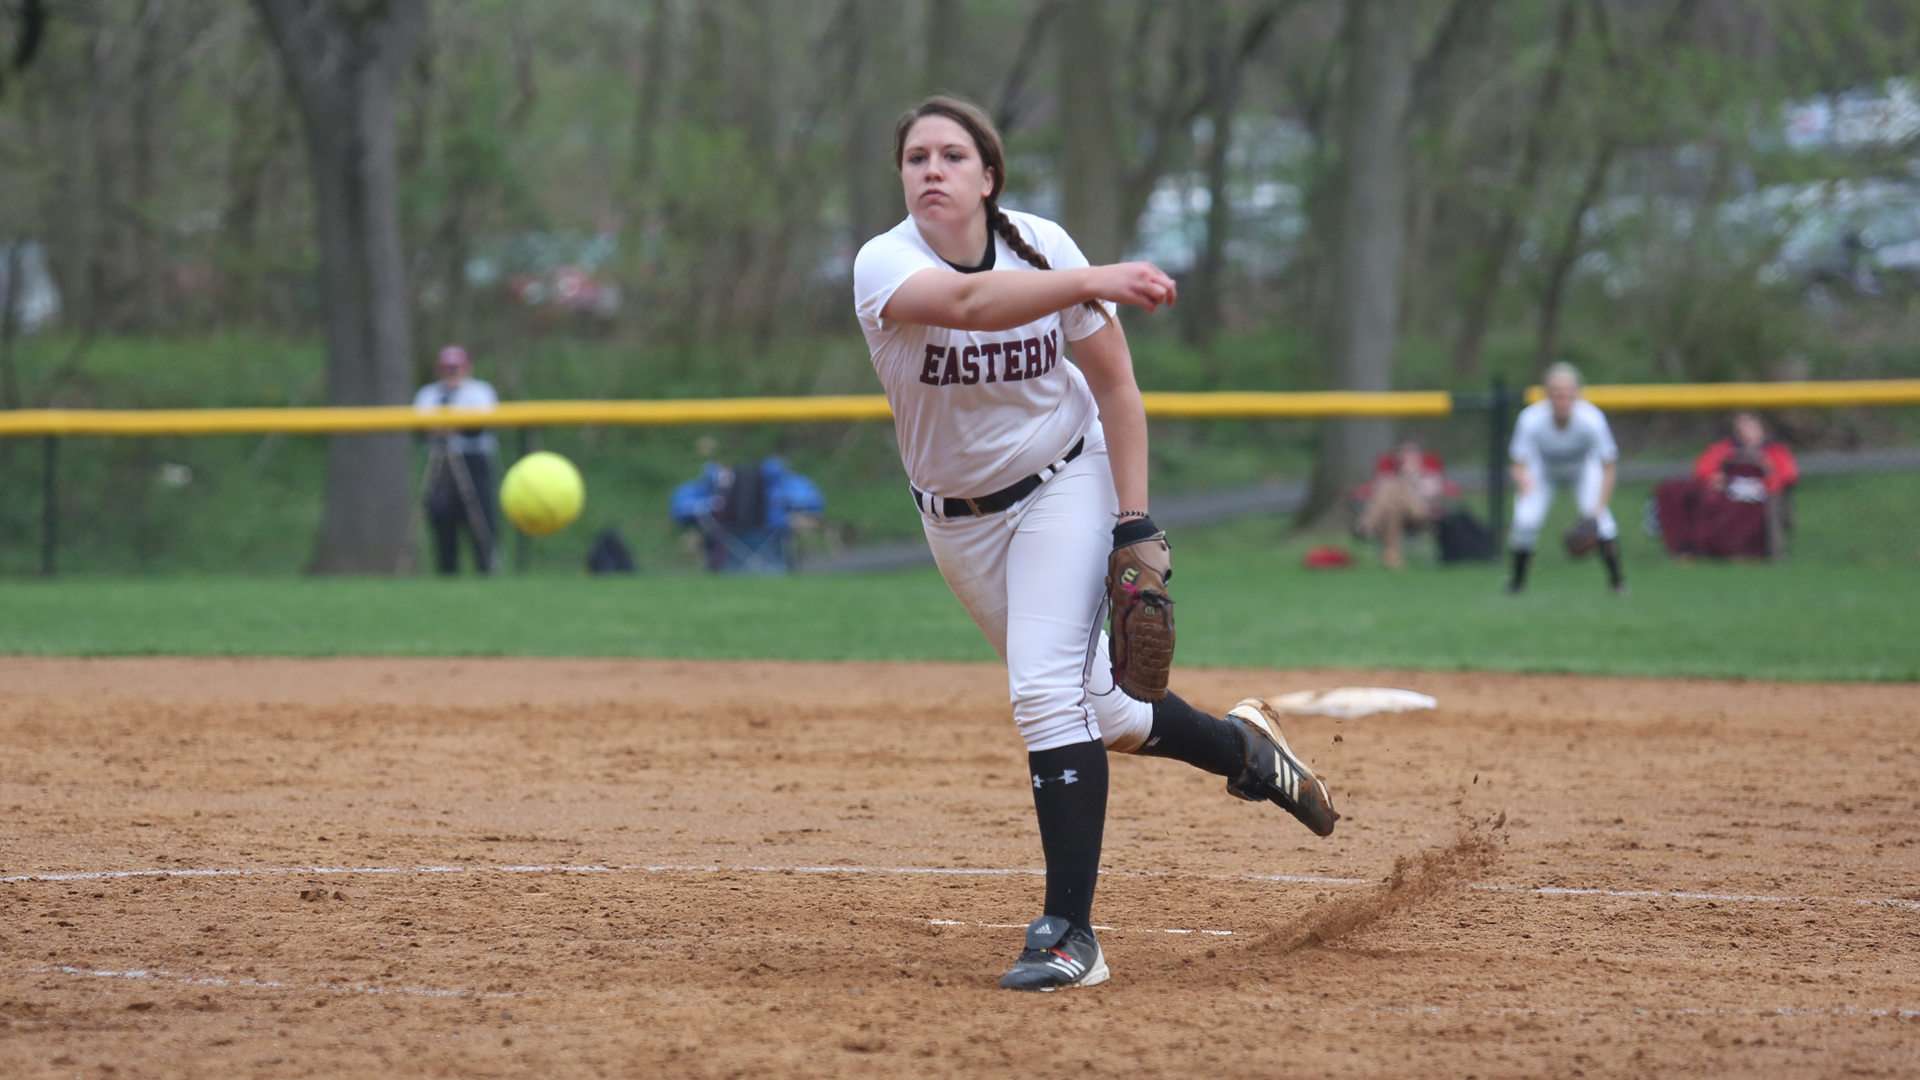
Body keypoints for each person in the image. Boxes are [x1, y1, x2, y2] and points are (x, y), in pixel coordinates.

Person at [852, 97, 1338, 993]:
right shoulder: (886, 263)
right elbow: (964, 302)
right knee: (1103, 712)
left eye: (953, 156)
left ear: (987, 177)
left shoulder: (1045, 245)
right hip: (957, 519)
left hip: (1066, 481)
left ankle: (1069, 934)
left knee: (1043, 692)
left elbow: (1116, 387)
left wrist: (1134, 518)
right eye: (915, 156)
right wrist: (1092, 280)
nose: (931, 170)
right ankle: (1247, 750)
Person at [1505, 362, 1625, 594]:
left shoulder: (1591, 419)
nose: (1561, 396)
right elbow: (1518, 464)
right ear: (1546, 393)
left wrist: (1598, 507)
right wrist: (1524, 481)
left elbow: (1608, 466)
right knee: (1525, 521)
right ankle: (1516, 583)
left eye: (1566, 391)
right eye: (1556, 391)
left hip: (1582, 470)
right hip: (1543, 471)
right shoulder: (1531, 419)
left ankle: (1617, 583)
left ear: (1576, 393)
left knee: (1604, 524)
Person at [1657, 412, 1799, 559]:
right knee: (1697, 497)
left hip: (1761, 495)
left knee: (1742, 510)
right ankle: (1693, 548)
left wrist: (1768, 472)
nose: (1746, 431)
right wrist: (1714, 477)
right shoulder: (1727, 448)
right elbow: (1704, 467)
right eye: (1741, 427)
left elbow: (1788, 475)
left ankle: (1751, 551)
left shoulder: (1774, 450)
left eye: (1750, 426)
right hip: (1728, 492)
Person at [413, 344, 500, 575]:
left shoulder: (480, 391)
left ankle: (487, 569)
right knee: (442, 514)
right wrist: (455, 425)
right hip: (441, 462)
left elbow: (478, 427)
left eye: (457, 367)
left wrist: (450, 426)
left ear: (467, 367)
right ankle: (446, 572)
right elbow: (427, 426)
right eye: (448, 368)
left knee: (480, 515)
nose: (452, 373)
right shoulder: (428, 394)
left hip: (474, 459)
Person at [1357, 441, 1445, 569]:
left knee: (1393, 486)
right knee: (1393, 508)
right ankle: (1393, 556)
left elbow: (1431, 494)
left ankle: (1367, 524)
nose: (1407, 457)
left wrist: (1413, 476)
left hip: (1420, 512)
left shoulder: (1428, 474)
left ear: (1419, 456)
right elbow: (1377, 491)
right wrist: (1400, 476)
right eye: (1403, 453)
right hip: (1398, 513)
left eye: (1411, 453)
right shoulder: (1393, 474)